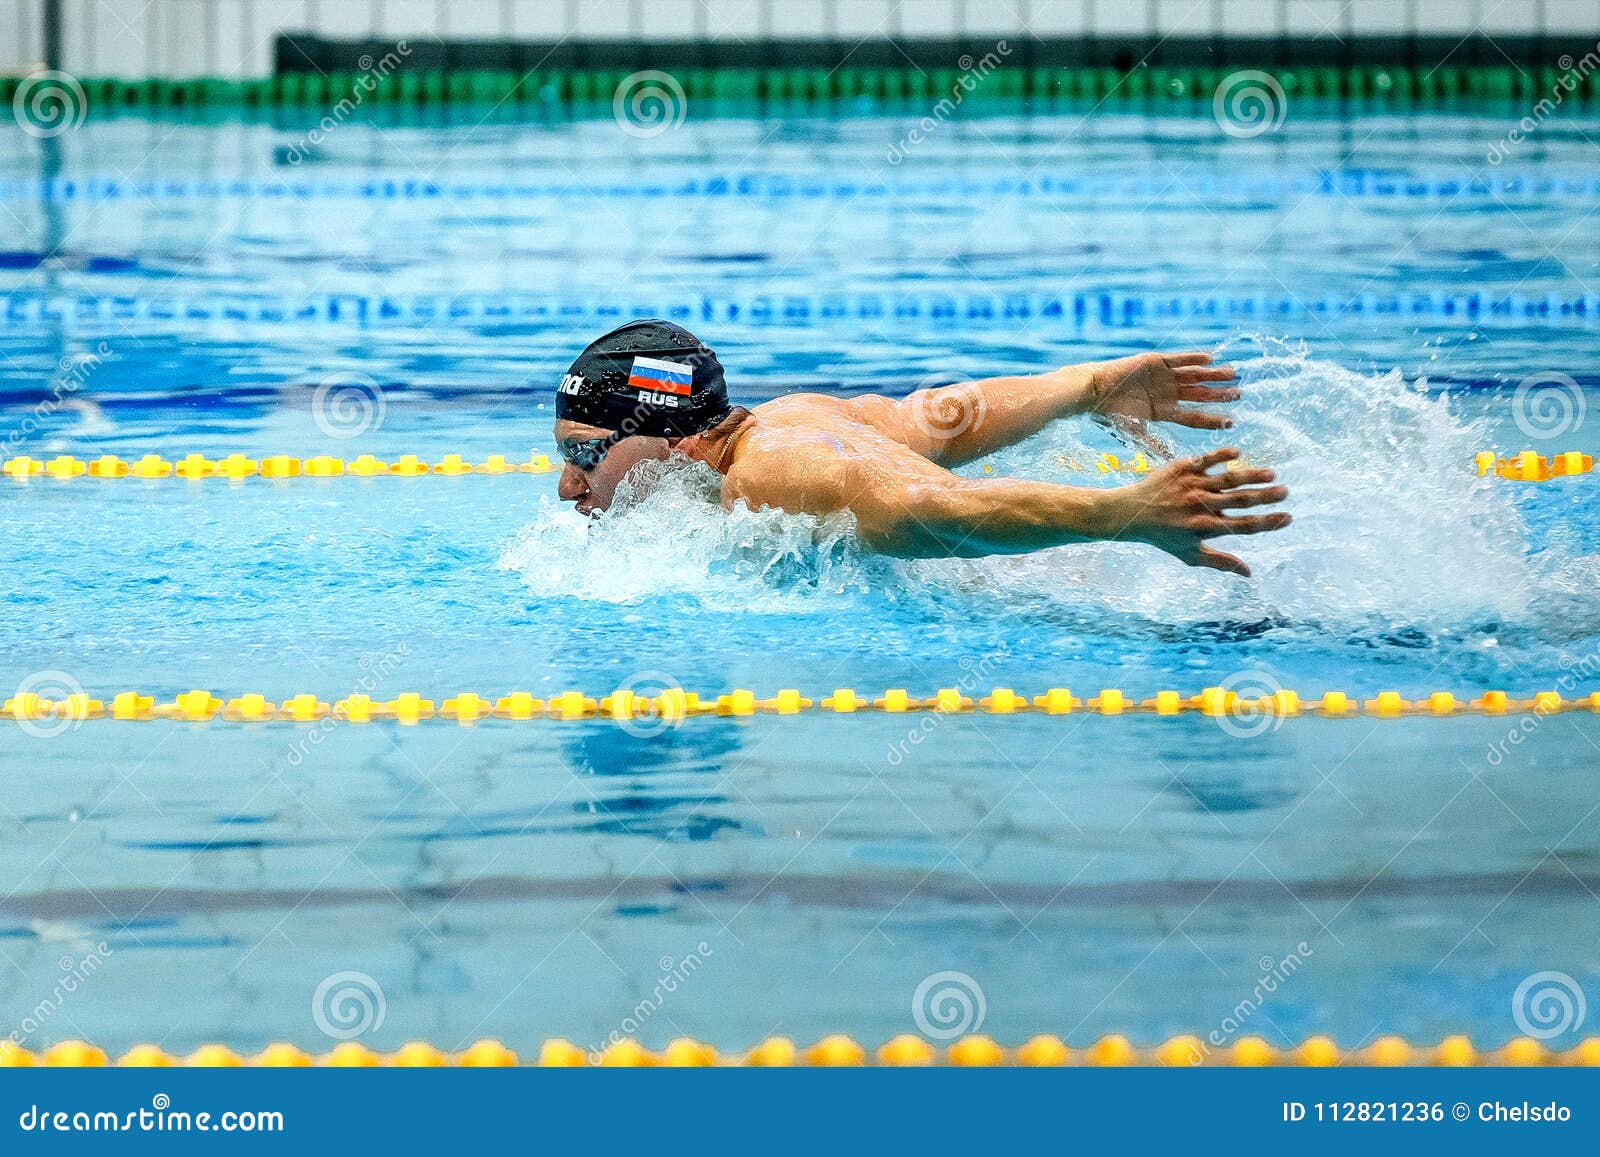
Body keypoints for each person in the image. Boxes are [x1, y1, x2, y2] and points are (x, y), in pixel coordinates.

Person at [554, 320, 1290, 576]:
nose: (568, 486)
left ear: (673, 436)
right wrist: (1084, 385)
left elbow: (931, 510)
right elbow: (940, 418)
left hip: (1072, 582)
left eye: (586, 455)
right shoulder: (794, 415)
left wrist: (1125, 513)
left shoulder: (770, 475)